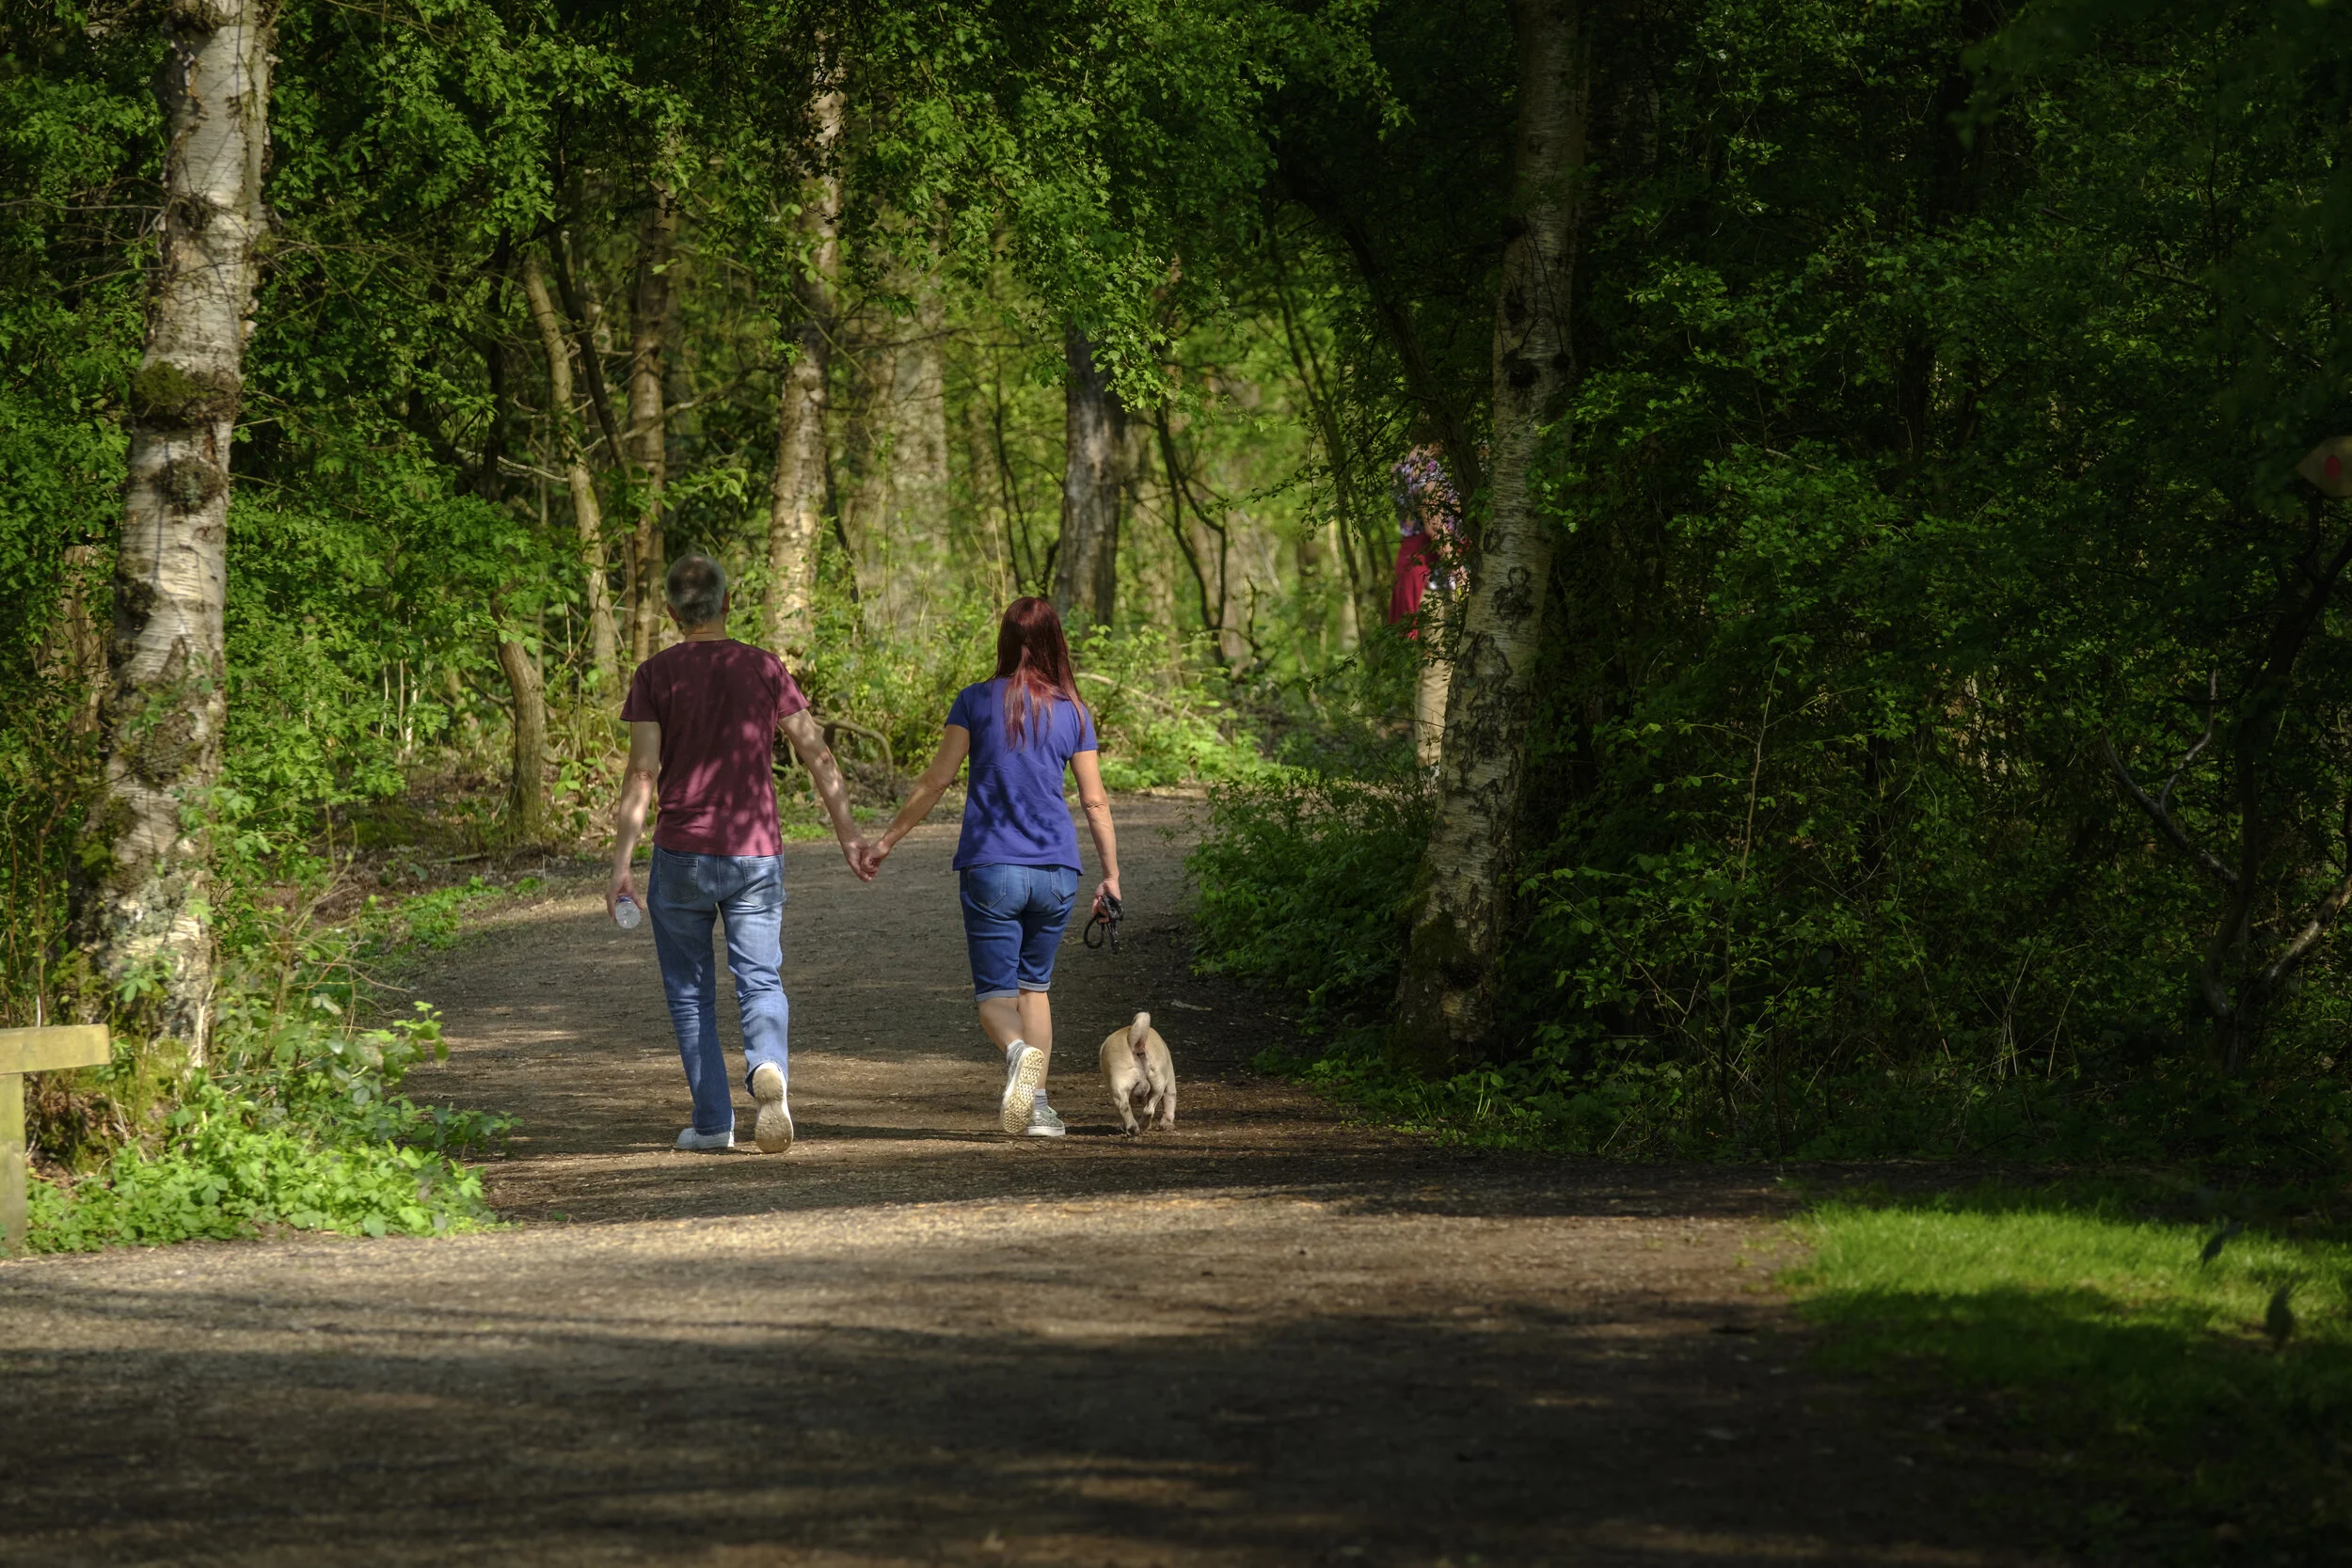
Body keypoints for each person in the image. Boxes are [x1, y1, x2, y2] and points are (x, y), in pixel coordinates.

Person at [607, 554, 874, 1155]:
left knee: (690, 990)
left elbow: (643, 771)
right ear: (729, 604)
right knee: (760, 978)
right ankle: (767, 1068)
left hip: (680, 855)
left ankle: (712, 1123)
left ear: (672, 614)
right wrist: (848, 836)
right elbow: (818, 755)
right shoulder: (763, 668)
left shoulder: (654, 674)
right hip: (755, 853)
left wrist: (622, 864)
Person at [861, 597, 1120, 1137]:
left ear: (1004, 640)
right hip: (1057, 872)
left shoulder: (976, 701)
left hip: (992, 869)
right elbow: (1094, 801)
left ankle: (1017, 1053)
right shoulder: (1073, 709)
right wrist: (1111, 875)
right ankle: (1040, 1108)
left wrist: (887, 839)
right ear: (1055, 642)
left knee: (994, 999)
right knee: (1035, 988)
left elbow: (936, 781)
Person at [1389, 442, 1464, 768]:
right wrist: (1461, 574)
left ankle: (1433, 759)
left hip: (1421, 573)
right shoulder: (1425, 469)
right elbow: (1435, 525)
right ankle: (1432, 763)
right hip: (1435, 579)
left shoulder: (1405, 466)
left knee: (1432, 672)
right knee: (1438, 672)